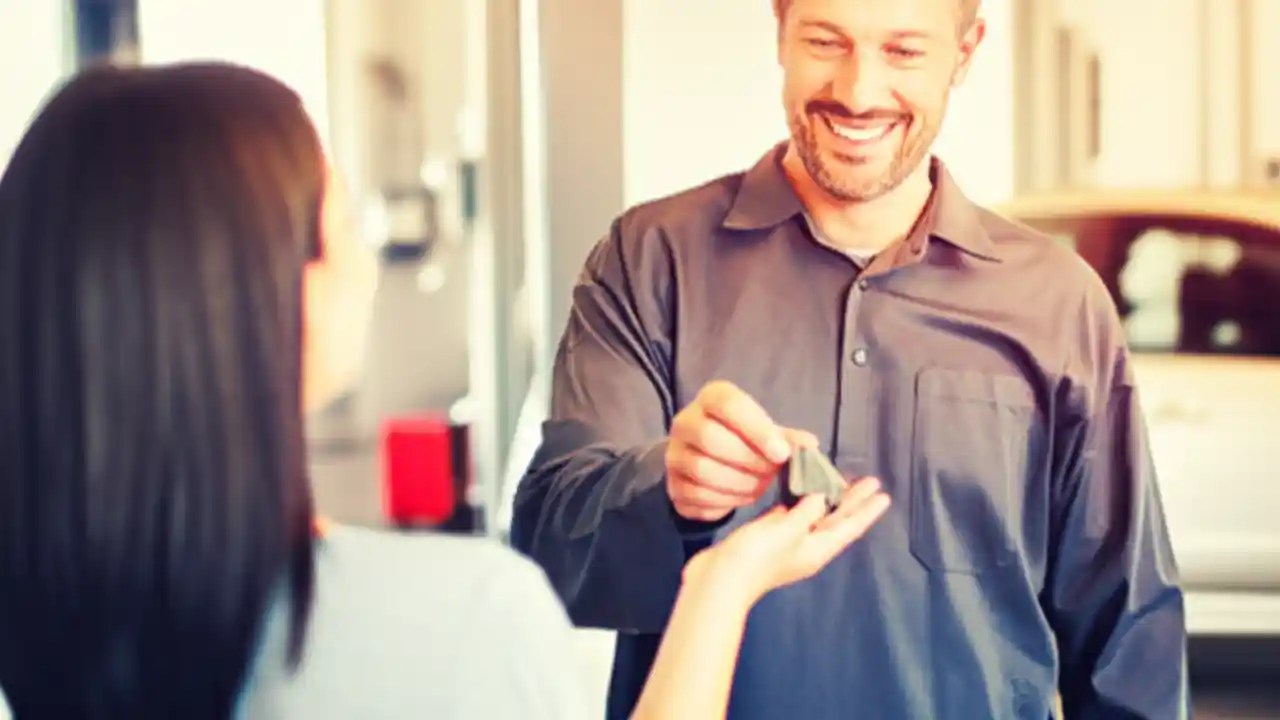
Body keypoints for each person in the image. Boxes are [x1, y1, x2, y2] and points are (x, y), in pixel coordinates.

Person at [0, 62, 890, 719]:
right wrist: (721, 586)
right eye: (343, 222)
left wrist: (716, 582)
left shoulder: (43, 615)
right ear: (285, 288)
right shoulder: (454, 617)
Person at [510, 0, 1190, 717]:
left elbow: (1128, 632)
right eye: (827, 41)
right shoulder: (651, 259)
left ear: (964, 53)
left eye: (903, 51)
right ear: (780, 32)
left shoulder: (1057, 301)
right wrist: (665, 489)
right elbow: (550, 555)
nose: (859, 92)